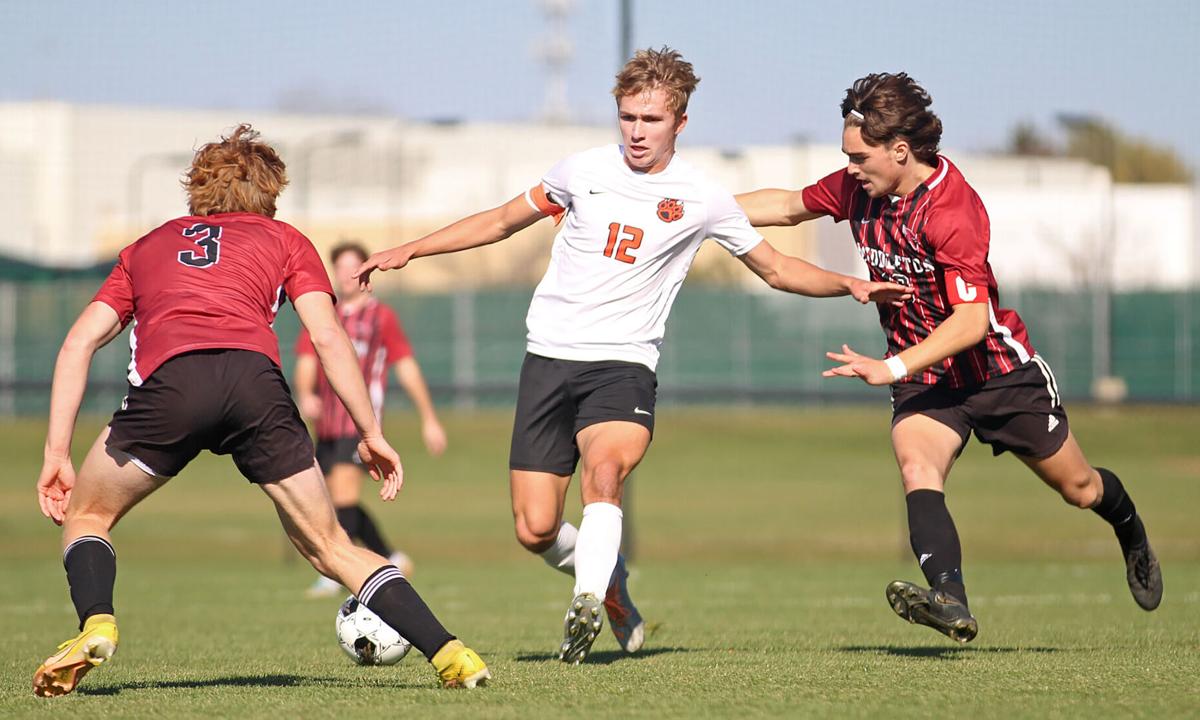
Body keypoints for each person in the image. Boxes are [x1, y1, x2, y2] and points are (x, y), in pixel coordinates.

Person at [354, 48, 911, 664]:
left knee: (604, 475)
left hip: (622, 367)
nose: (637, 132)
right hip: (548, 360)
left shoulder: (702, 196)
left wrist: (848, 284)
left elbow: (777, 268)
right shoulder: (581, 170)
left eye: (651, 120)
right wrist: (413, 249)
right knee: (533, 527)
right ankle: (610, 581)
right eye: (627, 118)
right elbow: (502, 221)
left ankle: (587, 601)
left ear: (680, 123)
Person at [32, 125, 488, 697]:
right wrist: (370, 430)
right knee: (330, 546)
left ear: (196, 188)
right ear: (270, 194)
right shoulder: (285, 239)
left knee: (88, 516)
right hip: (255, 385)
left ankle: (97, 622)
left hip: (172, 385)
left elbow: (77, 344)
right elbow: (327, 336)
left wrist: (56, 454)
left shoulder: (145, 248)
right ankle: (452, 654)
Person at [736, 73, 1163, 643]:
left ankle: (1130, 529)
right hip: (927, 379)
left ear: (901, 150)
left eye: (859, 156)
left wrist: (890, 367)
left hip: (995, 373)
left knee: (1079, 488)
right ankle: (950, 601)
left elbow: (969, 323)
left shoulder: (953, 211)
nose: (850, 167)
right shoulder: (858, 188)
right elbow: (786, 207)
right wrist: (688, 210)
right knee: (918, 466)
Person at [295, 240, 447, 597]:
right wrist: (306, 395)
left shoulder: (381, 317)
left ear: (365, 271)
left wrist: (429, 418)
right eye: (341, 269)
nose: (347, 276)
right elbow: (305, 363)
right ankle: (391, 556)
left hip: (359, 426)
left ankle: (338, 574)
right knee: (331, 502)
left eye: (354, 267)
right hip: (327, 427)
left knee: (344, 498)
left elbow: (406, 367)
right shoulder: (322, 314)